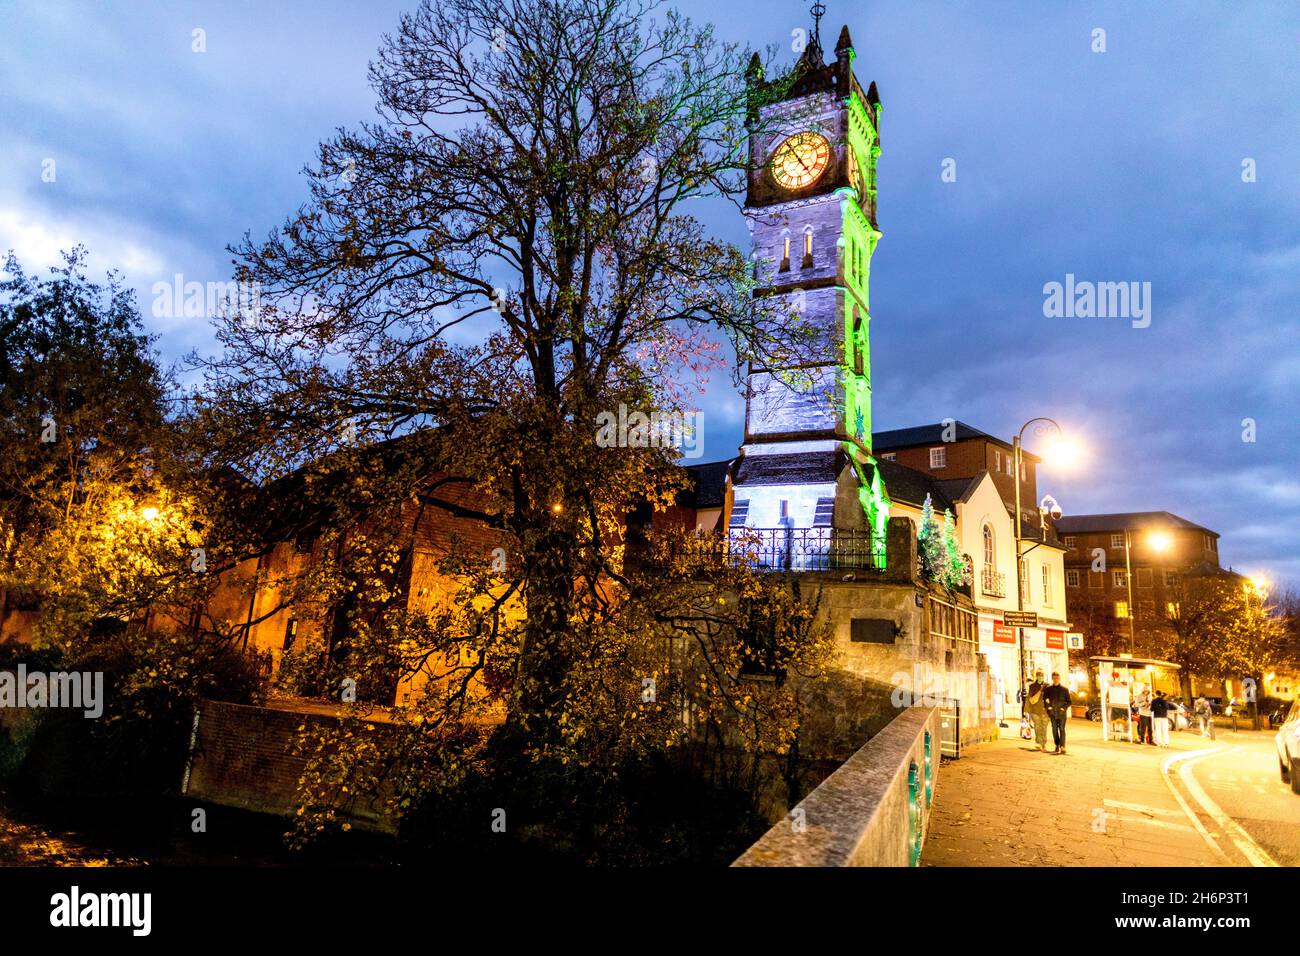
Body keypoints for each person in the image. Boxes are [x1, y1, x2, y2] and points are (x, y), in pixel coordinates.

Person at [1043, 671, 1073, 754]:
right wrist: (1048, 706)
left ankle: (1062, 746)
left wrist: (1064, 708)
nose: (1056, 679)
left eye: (1057, 678)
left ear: (1059, 679)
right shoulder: (1048, 689)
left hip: (1061, 713)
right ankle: (1057, 744)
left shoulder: (1064, 689)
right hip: (1052, 713)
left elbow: (1069, 701)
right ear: (1052, 678)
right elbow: (1045, 699)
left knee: (1062, 729)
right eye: (1054, 678)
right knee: (1054, 729)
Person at [1024, 670, 1050, 752]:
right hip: (1035, 710)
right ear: (1036, 676)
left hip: (1045, 710)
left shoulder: (1047, 686)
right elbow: (1030, 699)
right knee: (1037, 727)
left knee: (1044, 728)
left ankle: (1043, 744)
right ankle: (1038, 743)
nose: (1041, 677)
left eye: (1042, 675)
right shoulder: (1032, 686)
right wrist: (1026, 710)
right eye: (1039, 675)